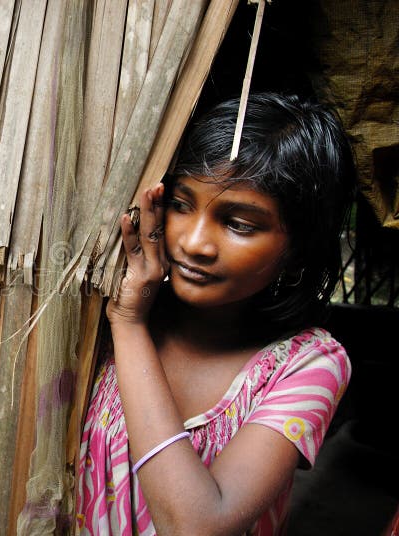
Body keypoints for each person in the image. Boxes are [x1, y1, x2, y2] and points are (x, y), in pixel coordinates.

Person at [75, 92, 357, 535]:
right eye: (182, 205)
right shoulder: (92, 318)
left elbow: (199, 524)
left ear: (298, 249)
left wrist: (130, 326)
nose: (194, 243)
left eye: (238, 224)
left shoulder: (309, 363)